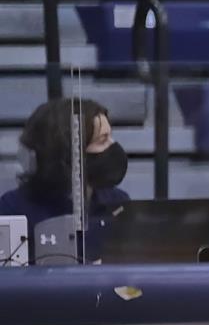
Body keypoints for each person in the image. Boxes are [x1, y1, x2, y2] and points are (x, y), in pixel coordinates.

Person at [1, 97, 128, 262]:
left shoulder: (118, 203)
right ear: (67, 153)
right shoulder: (13, 209)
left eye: (110, 136)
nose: (113, 145)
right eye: (103, 140)